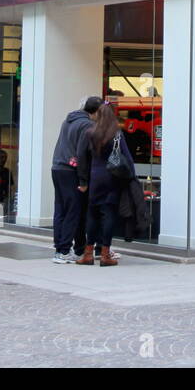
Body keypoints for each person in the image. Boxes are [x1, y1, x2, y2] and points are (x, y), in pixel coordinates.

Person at [79, 102, 136, 267]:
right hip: (112, 177)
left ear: (98, 115)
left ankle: (88, 253)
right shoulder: (116, 133)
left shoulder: (89, 132)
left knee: (92, 214)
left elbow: (82, 157)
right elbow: (127, 157)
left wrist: (83, 180)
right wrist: (131, 178)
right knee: (108, 214)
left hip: (95, 177)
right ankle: (105, 254)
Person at [50, 96, 100, 264]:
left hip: (57, 167)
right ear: (96, 111)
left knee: (60, 209)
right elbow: (82, 153)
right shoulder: (88, 125)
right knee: (74, 210)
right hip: (71, 170)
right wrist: (83, 180)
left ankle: (60, 248)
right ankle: (64, 250)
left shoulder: (68, 121)